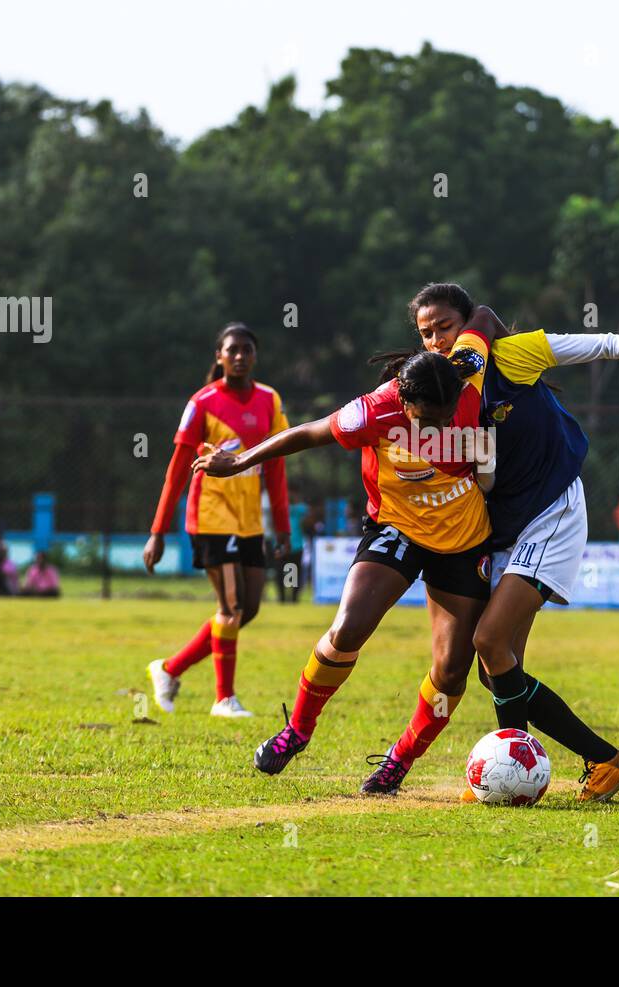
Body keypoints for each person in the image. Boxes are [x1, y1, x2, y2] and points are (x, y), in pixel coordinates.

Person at [419, 289, 619, 802]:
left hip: (552, 512)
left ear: (467, 325)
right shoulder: (438, 394)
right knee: (496, 665)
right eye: (426, 332)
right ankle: (580, 765)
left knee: (489, 643)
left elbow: (610, 342)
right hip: (503, 528)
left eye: (446, 326)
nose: (437, 340)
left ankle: (549, 766)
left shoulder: (513, 356)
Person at [194, 309, 494, 790]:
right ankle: (296, 731)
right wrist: (238, 461)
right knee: (347, 628)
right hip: (397, 528)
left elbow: (482, 315)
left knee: (452, 669)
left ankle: (397, 763)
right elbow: (305, 433)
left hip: (464, 540)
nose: (439, 429)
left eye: (445, 420)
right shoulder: (376, 409)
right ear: (405, 401)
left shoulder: (467, 371)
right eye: (428, 421)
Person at [143, 323, 292, 719]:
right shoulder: (202, 402)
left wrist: (283, 526)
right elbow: (176, 470)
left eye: (247, 349)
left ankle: (170, 669)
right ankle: (224, 699)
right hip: (211, 516)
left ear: (255, 356)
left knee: (250, 608)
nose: (240, 355)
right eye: (232, 349)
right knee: (229, 609)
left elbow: (275, 468)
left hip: (249, 521)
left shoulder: (269, 400)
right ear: (219, 356)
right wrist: (157, 531)